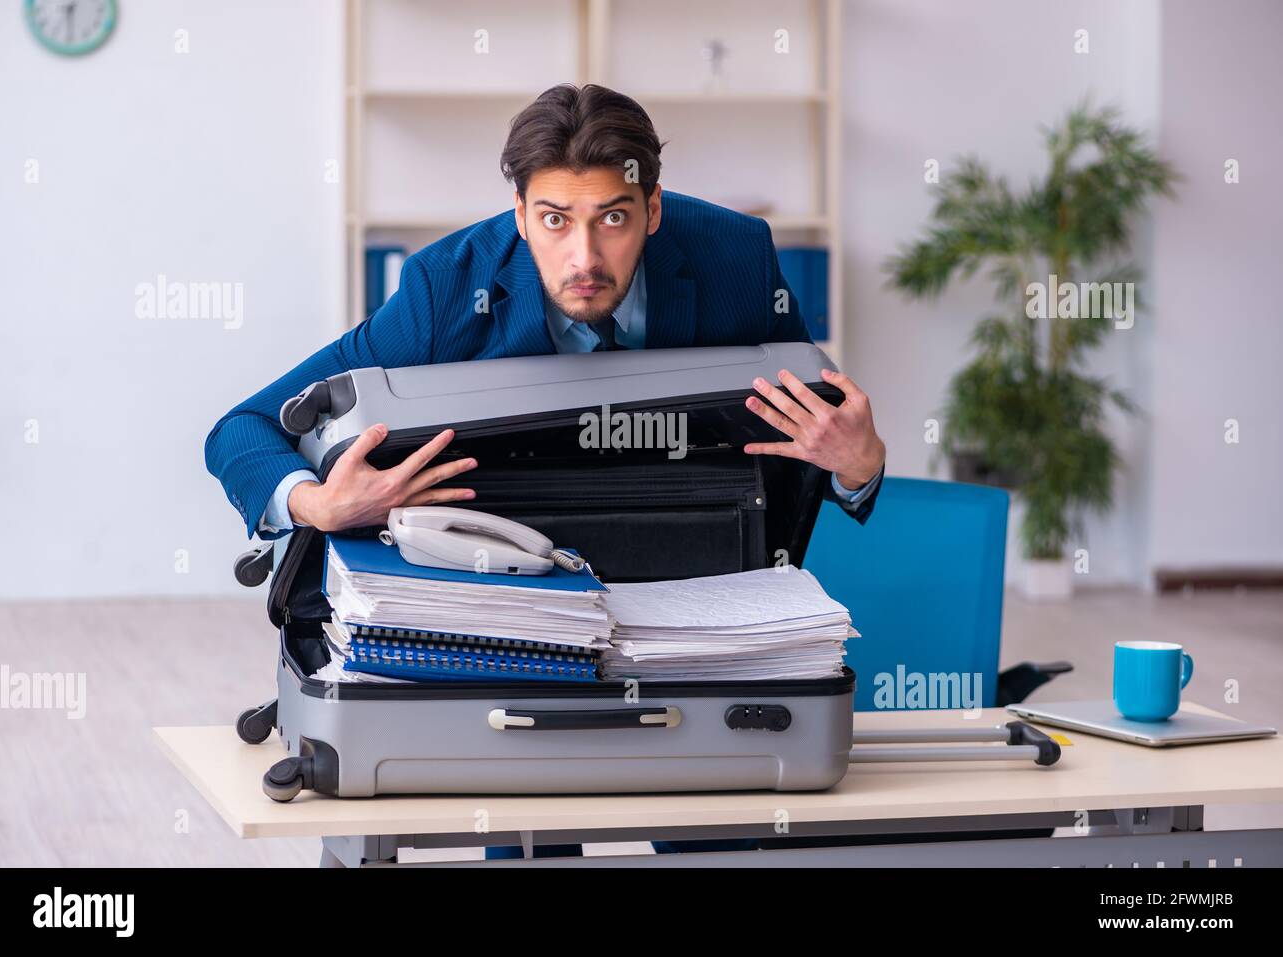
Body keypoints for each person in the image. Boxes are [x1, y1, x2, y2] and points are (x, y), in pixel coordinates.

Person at [204, 83, 886, 860]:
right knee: (527, 837)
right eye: (555, 221)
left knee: (721, 839)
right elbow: (242, 428)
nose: (585, 257)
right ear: (521, 214)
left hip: (696, 609)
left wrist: (857, 466)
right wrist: (318, 502)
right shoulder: (445, 288)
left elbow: (802, 453)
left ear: (653, 210)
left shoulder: (737, 259)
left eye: (614, 219)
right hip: (517, 623)